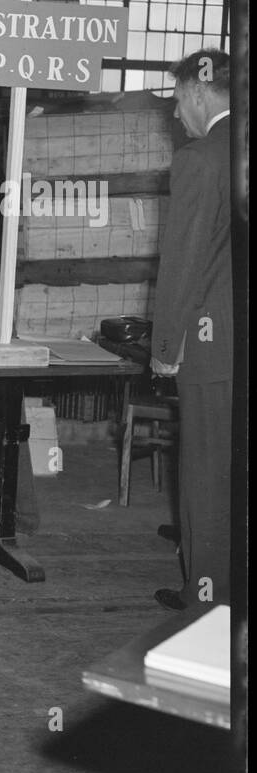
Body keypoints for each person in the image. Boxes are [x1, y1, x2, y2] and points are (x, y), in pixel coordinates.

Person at [150, 48, 233, 612]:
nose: (178, 116)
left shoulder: (200, 159)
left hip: (215, 345)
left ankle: (208, 600)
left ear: (200, 93)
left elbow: (182, 263)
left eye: (179, 102)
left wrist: (165, 349)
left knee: (207, 474)